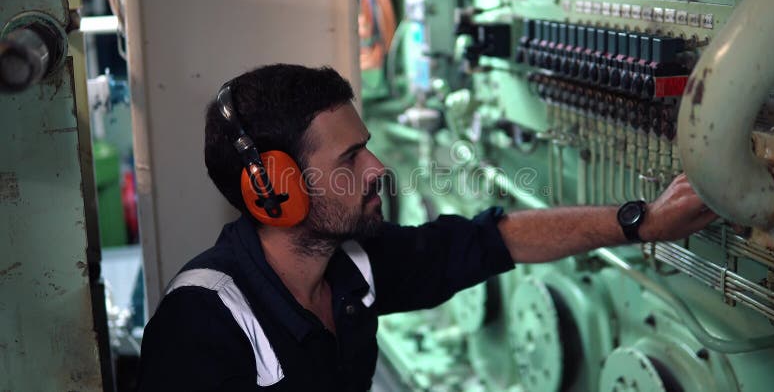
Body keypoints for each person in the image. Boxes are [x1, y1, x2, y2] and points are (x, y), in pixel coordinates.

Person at [136, 64, 716, 391]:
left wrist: (642, 221)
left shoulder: (352, 266)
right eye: (350, 159)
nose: (378, 168)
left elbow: (498, 237)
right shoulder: (204, 323)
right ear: (276, 192)